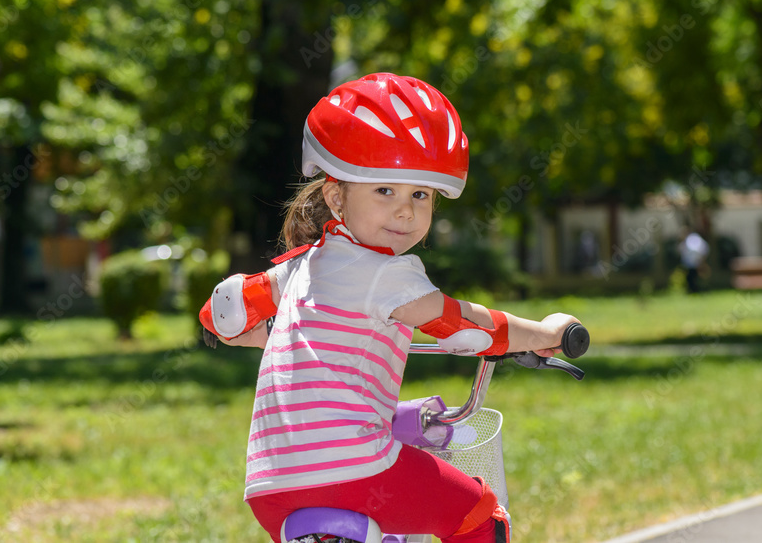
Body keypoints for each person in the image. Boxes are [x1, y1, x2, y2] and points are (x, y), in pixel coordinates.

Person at [198, 73, 580, 543]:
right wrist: (543, 333)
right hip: (358, 474)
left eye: (419, 195)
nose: (404, 211)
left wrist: (263, 329)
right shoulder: (388, 273)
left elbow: (227, 315)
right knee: (479, 515)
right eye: (385, 191)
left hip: (271, 489)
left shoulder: (297, 269)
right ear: (335, 196)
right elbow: (465, 328)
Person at [677, 227, 710, 293]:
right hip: (689, 265)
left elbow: (699, 250)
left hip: (696, 263)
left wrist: (700, 261)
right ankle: (692, 290)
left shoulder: (693, 239)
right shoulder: (685, 241)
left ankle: (697, 290)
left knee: (696, 278)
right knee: (690, 278)